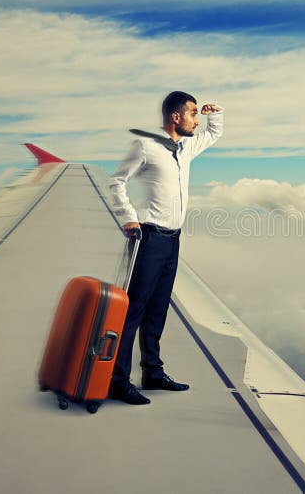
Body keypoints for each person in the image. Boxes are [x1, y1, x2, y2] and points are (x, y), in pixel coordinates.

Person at [107, 90, 224, 405]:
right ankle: (117, 380)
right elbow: (116, 181)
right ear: (176, 117)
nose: (196, 121)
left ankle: (152, 373)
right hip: (149, 236)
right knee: (134, 310)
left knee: (158, 309)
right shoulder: (144, 146)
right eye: (193, 114)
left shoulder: (184, 148)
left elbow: (214, 133)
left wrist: (216, 113)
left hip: (173, 239)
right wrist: (128, 218)